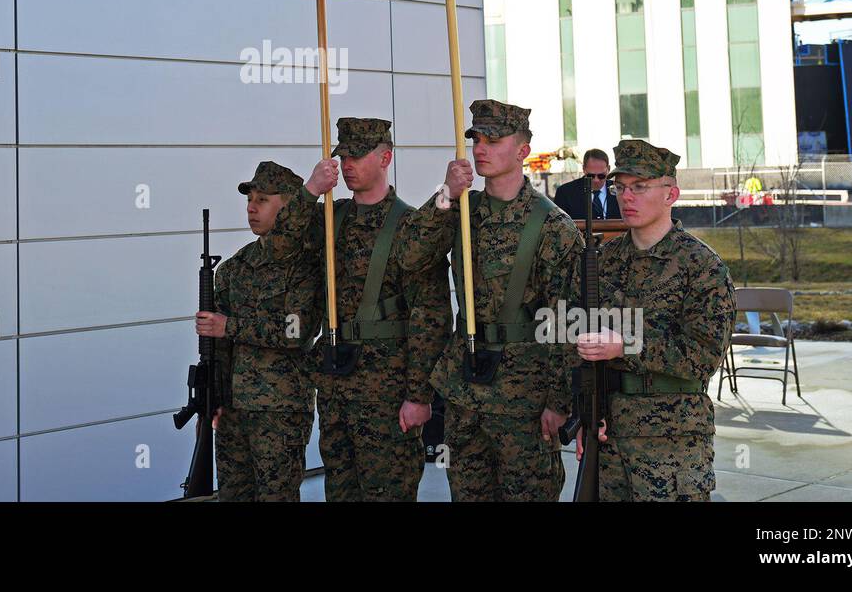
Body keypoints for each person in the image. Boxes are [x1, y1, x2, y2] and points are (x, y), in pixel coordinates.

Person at [401, 100, 583, 501]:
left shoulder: (553, 226)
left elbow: (567, 322)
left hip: (525, 398)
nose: (480, 149)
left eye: (493, 140)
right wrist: (445, 194)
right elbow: (409, 256)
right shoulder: (461, 211)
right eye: (476, 139)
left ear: (522, 151)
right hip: (467, 388)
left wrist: (559, 401)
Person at [267, 117, 450, 501]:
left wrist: (419, 395)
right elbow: (278, 247)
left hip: (387, 390)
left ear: (385, 157)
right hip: (336, 383)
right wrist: (311, 191)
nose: (347, 164)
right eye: (343, 156)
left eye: (357, 156)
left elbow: (429, 317)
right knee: (340, 491)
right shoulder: (332, 218)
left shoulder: (410, 226)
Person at [572, 139, 736, 501]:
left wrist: (625, 344)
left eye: (640, 187)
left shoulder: (701, 266)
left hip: (672, 443)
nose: (627, 197)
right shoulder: (604, 260)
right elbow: (582, 343)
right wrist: (586, 414)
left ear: (670, 193)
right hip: (610, 436)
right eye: (621, 187)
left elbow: (703, 356)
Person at [197, 160, 322, 501]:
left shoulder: (303, 265)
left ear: (290, 205)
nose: (251, 207)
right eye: (249, 199)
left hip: (280, 411)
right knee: (233, 496)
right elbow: (218, 346)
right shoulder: (234, 268)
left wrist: (231, 327)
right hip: (234, 411)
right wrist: (216, 399)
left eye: (263, 199)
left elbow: (297, 331)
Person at [553, 148, 622, 220]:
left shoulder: (620, 189)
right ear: (584, 169)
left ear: (608, 169)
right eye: (591, 176)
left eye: (601, 176)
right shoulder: (565, 193)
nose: (596, 180)